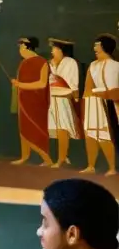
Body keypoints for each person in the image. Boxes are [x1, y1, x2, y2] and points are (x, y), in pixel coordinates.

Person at [11, 36, 52, 166]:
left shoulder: (42, 62)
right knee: (24, 128)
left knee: (36, 129)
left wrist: (19, 85)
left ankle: (47, 160)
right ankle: (25, 156)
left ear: (28, 47)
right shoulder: (23, 63)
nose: (20, 51)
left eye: (22, 47)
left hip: (37, 102)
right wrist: (17, 85)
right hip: (23, 101)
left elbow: (42, 84)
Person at [81, 34, 119, 176]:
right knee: (90, 134)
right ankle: (91, 165)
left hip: (109, 103)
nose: (94, 48)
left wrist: (107, 95)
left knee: (105, 135)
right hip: (93, 102)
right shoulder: (93, 65)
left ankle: (112, 168)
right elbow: (88, 87)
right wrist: (86, 103)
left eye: (97, 45)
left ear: (104, 47)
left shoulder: (115, 65)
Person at [47, 39, 82, 168]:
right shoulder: (51, 63)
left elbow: (70, 83)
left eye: (54, 49)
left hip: (63, 99)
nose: (52, 51)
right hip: (51, 98)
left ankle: (61, 158)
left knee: (63, 128)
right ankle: (59, 156)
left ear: (61, 50)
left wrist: (55, 72)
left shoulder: (70, 63)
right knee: (54, 129)